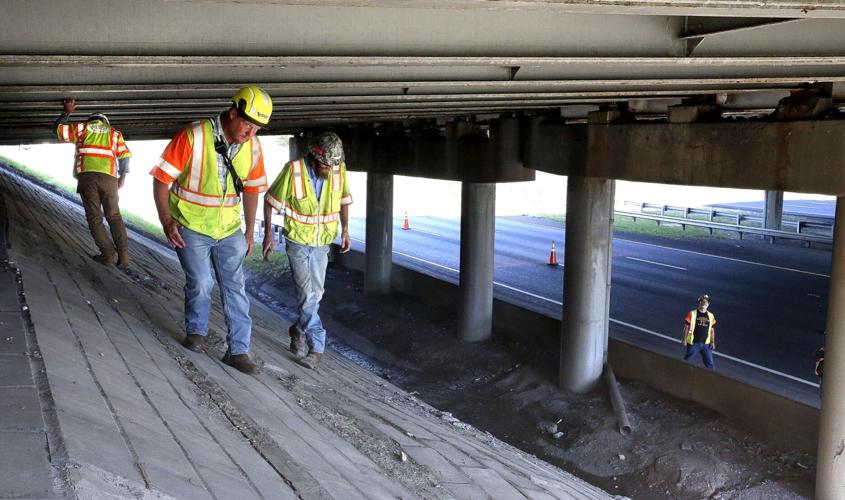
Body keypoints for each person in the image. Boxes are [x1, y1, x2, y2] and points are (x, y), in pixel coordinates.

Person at [150, 86, 272, 374]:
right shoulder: (194, 135)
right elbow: (161, 179)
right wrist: (167, 221)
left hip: (228, 229)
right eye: (247, 124)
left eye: (257, 128)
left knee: (236, 288)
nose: (250, 133)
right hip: (190, 226)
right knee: (202, 283)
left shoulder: (253, 146)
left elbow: (253, 189)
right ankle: (197, 332)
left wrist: (250, 231)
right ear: (232, 114)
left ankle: (239, 351)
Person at [262, 132, 352, 369]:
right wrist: (269, 235)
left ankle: (298, 329)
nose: (329, 168)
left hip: (322, 244)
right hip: (298, 243)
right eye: (325, 164)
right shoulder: (293, 170)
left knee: (316, 295)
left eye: (333, 164)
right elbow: (270, 200)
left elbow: (343, 200)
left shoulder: (338, 169)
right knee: (305, 295)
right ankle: (317, 348)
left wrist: (345, 231)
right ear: (314, 156)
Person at [55, 99, 132, 266]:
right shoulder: (114, 134)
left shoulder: (82, 128)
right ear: (106, 122)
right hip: (109, 179)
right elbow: (125, 156)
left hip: (87, 178)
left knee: (95, 218)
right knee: (114, 216)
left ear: (91, 120)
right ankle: (124, 256)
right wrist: (122, 178)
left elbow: (59, 130)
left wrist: (67, 111)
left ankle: (108, 256)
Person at [682, 294, 717, 369]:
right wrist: (684, 339)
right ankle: (681, 373)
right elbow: (686, 327)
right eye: (702, 301)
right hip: (694, 343)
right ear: (699, 302)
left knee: (710, 364)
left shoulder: (711, 316)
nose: (704, 303)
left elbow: (712, 330)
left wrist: (712, 342)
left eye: (706, 302)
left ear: (708, 304)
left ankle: (711, 378)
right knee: (686, 361)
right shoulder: (692, 313)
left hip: (706, 345)